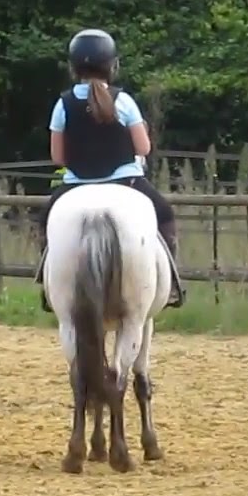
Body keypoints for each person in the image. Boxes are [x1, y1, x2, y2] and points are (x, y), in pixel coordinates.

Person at [34, 28, 185, 311]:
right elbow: (143, 148)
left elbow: (57, 156)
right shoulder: (123, 101)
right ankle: (172, 284)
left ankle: (48, 286)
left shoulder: (63, 104)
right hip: (126, 182)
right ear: (112, 65)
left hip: (76, 184)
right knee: (165, 214)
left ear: (73, 67)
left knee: (45, 223)